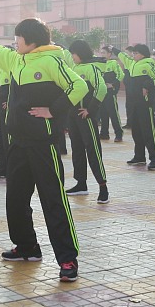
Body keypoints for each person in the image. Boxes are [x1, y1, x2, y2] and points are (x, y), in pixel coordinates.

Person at [0, 19, 86, 283]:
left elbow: (79, 87)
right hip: (17, 142)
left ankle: (67, 259)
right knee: (16, 199)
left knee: (53, 201)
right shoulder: (15, 60)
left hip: (43, 144)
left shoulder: (52, 62)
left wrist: (53, 110)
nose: (15, 41)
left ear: (32, 39)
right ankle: (27, 246)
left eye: (19, 37)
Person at [66, 40, 110, 203]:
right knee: (77, 150)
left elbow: (102, 88)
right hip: (72, 116)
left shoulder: (92, 68)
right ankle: (81, 184)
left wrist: (90, 110)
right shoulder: (73, 68)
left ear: (81, 53)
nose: (72, 57)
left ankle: (103, 187)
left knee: (93, 151)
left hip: (86, 117)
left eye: (74, 54)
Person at [123, 44, 155, 170]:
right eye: (133, 53)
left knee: (148, 131)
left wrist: (147, 85)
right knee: (136, 131)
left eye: (136, 53)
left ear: (143, 54)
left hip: (145, 104)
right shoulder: (133, 64)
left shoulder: (148, 64)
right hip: (134, 103)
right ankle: (139, 157)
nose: (134, 55)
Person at [98, 46, 124, 142]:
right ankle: (104, 133)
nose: (102, 55)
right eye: (101, 53)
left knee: (113, 114)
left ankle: (118, 134)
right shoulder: (100, 64)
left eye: (104, 52)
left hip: (110, 92)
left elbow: (121, 75)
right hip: (102, 92)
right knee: (103, 113)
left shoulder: (113, 63)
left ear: (109, 54)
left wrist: (113, 84)